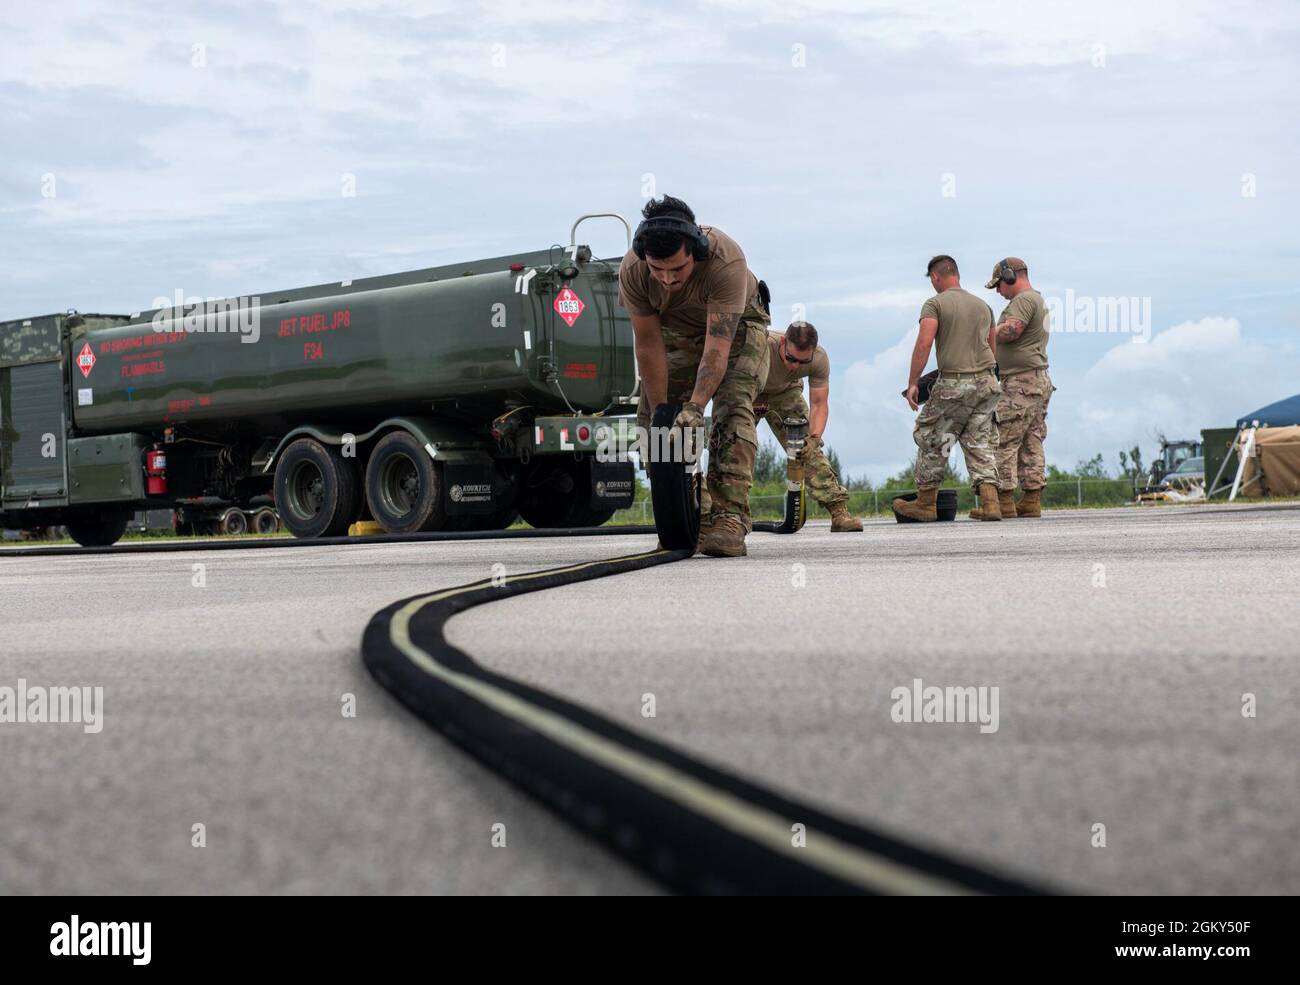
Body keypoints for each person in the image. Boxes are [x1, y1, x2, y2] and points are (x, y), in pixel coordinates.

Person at [619, 195, 770, 556]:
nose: (667, 280)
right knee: (654, 421)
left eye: (677, 269)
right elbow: (649, 346)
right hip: (677, 332)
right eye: (658, 270)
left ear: (696, 251)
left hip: (737, 329)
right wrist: (663, 415)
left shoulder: (725, 261)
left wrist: (695, 406)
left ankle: (730, 518)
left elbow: (716, 350)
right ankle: (688, 514)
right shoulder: (633, 271)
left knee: (731, 407)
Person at [893, 255, 1002, 521]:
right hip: (987, 382)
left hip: (955, 382)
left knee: (932, 436)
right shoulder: (983, 306)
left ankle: (926, 504)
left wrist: (912, 383)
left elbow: (924, 342)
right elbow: (992, 344)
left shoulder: (934, 304)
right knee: (979, 440)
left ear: (935, 277)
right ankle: (991, 504)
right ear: (957, 274)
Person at [753, 321, 861, 531]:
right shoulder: (761, 345)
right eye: (790, 358)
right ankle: (720, 518)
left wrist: (814, 438)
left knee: (806, 450)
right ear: (783, 343)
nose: (795, 366)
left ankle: (839, 512)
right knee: (733, 449)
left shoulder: (819, 359)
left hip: (786, 392)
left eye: (802, 362)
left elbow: (819, 404)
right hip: (748, 388)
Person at [973, 257, 1054, 519]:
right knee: (1031, 441)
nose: (998, 291)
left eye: (999, 284)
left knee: (1004, 440)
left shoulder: (1024, 300)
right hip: (1035, 381)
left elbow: (1012, 330)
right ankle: (1031, 500)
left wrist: (981, 332)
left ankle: (1004, 501)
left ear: (1010, 276)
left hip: (1021, 383)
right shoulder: (1035, 300)